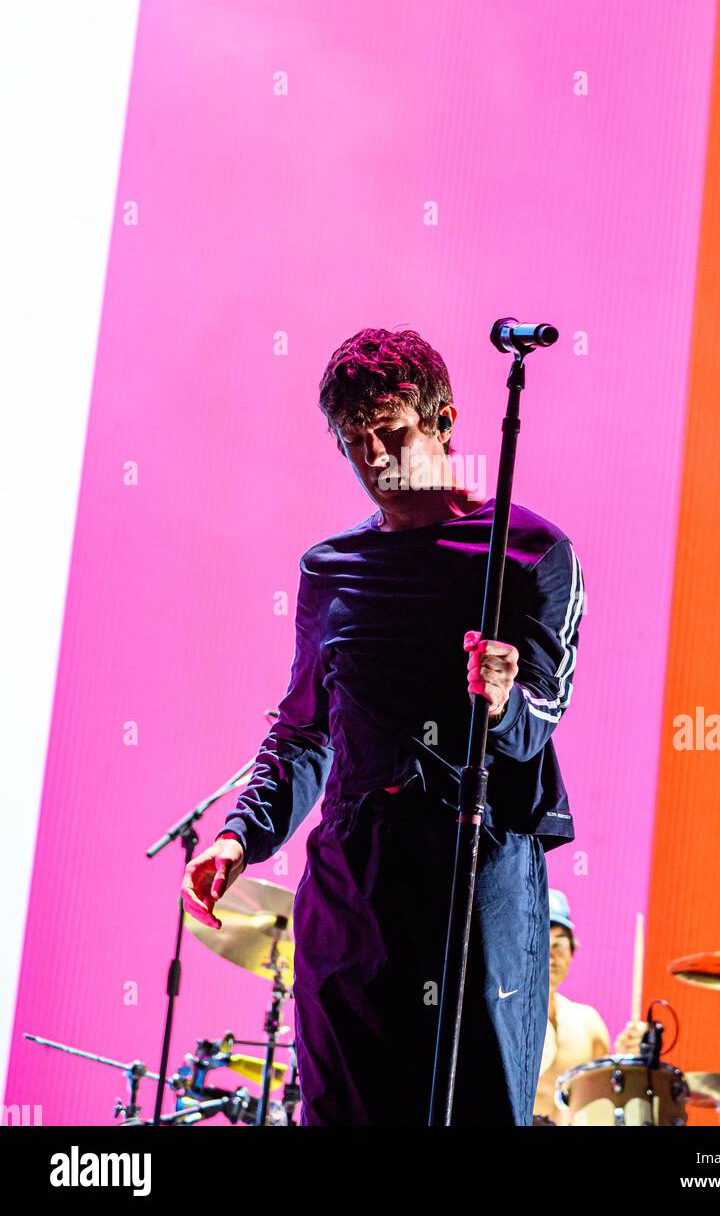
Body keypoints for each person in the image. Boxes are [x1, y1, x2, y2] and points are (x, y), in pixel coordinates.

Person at [181, 327, 584, 1125]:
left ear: (443, 421)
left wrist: (501, 702)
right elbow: (302, 731)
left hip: (475, 877)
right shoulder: (329, 569)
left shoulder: (530, 551)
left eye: (391, 433)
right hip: (352, 878)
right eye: (352, 442)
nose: (374, 458)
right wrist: (241, 835)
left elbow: (541, 716)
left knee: (470, 1110)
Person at [532, 889, 646, 1125]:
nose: (550, 956)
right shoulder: (506, 1020)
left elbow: (605, 1102)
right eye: (541, 942)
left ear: (573, 951)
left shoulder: (588, 1023)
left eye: (559, 945)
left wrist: (627, 1058)